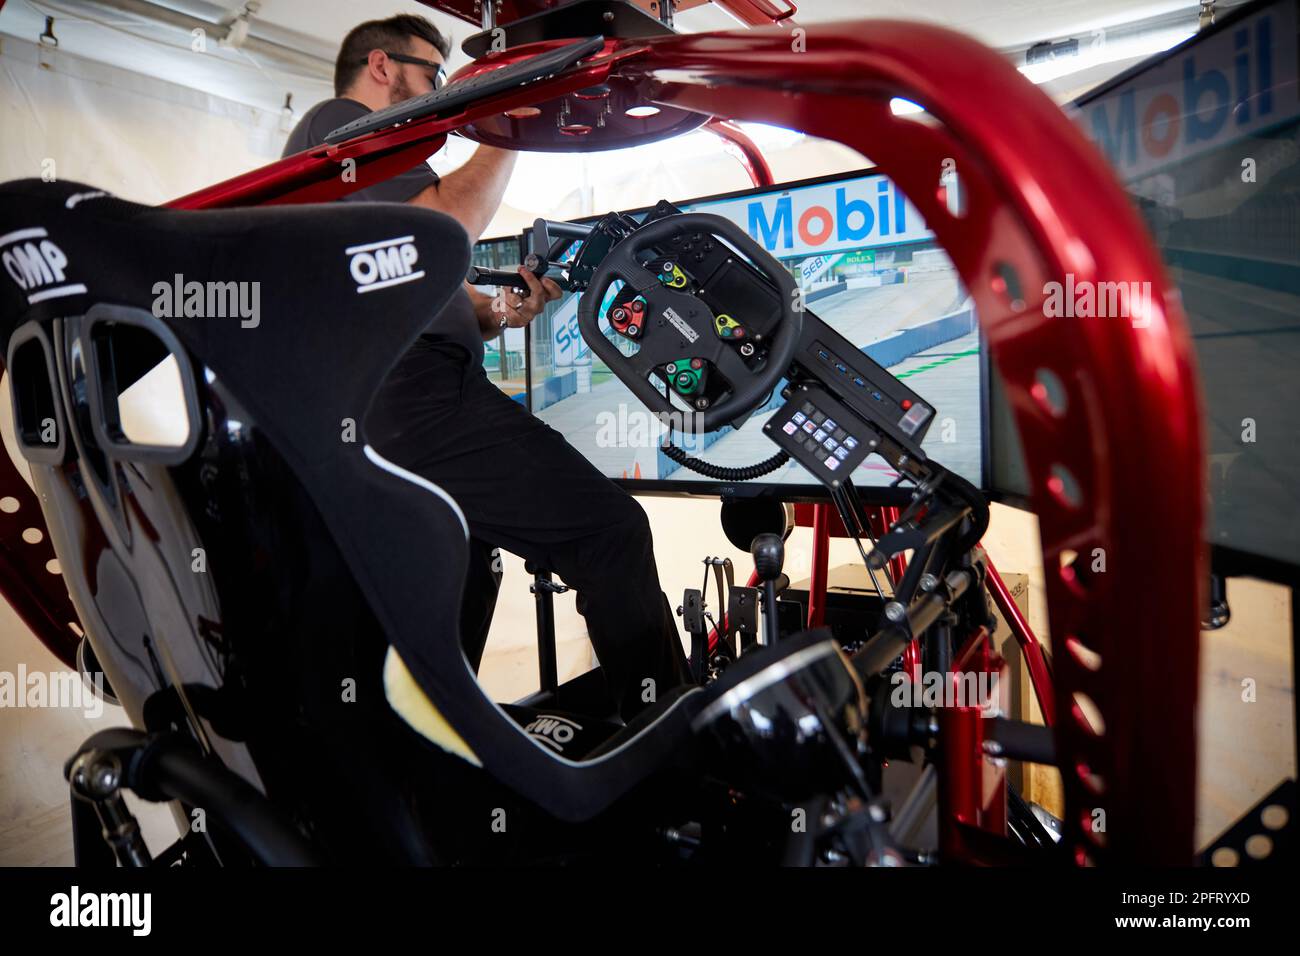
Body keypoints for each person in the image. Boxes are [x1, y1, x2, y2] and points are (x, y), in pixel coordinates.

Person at [283, 14, 689, 721]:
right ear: (381, 66)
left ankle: (431, 749)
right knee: (610, 533)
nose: (440, 92)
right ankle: (668, 749)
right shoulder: (339, 123)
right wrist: (516, 122)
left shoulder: (373, 190)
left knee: (462, 578)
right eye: (433, 74)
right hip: (414, 394)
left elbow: (446, 293)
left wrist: (507, 307)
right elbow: (440, 227)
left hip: (397, 394)